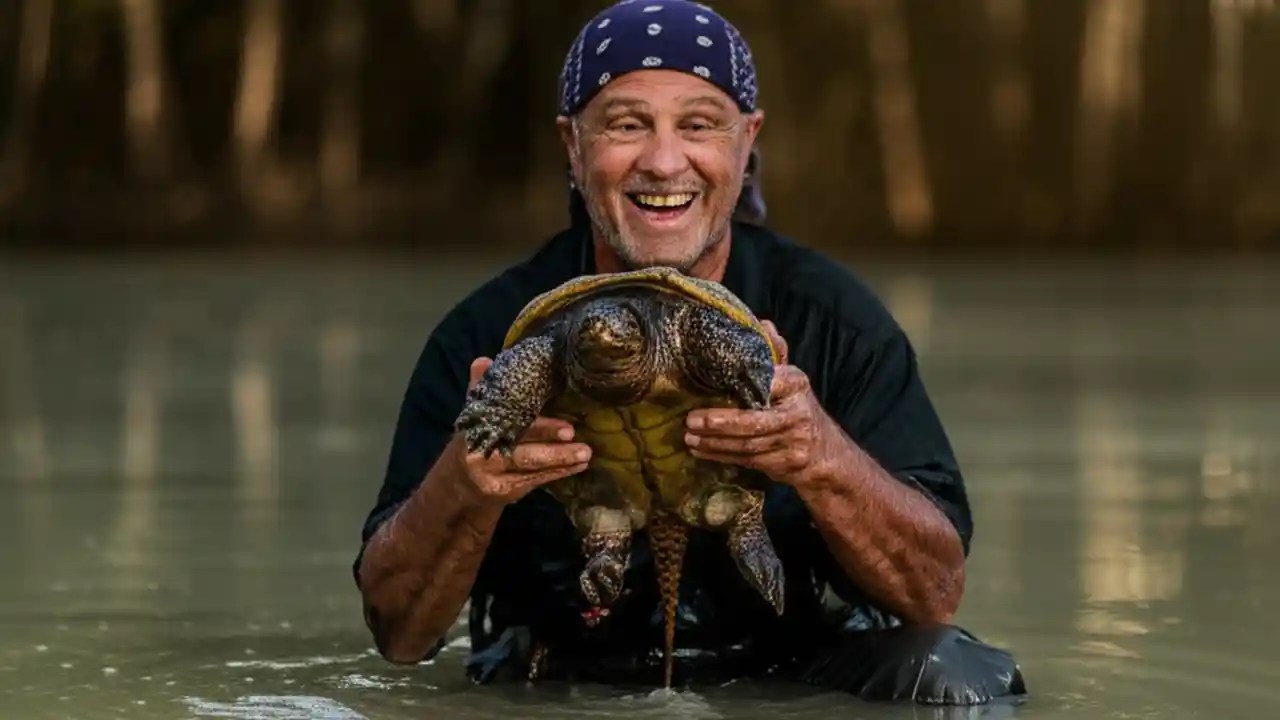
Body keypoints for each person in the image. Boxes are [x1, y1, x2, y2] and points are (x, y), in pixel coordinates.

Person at [354, 0, 1026, 706]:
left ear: (746, 141)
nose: (665, 161)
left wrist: (820, 455)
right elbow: (398, 635)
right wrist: (465, 482)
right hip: (559, 677)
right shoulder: (488, 336)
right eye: (626, 124)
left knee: (962, 675)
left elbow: (936, 596)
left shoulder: (833, 321)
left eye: (699, 124)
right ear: (573, 146)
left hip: (790, 672)